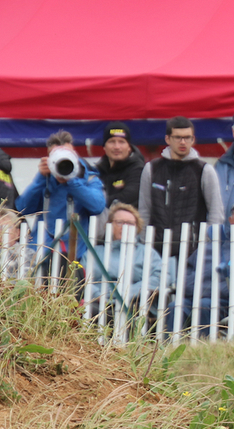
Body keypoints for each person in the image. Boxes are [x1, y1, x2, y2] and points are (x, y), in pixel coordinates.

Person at [173, 197, 234, 336]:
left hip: (230, 302)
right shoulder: (209, 245)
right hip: (195, 296)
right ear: (230, 220)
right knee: (175, 307)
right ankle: (169, 350)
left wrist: (233, 287)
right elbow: (186, 273)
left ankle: (202, 349)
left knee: (205, 305)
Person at [138, 117, 225, 254]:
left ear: (193, 139)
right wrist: (144, 246)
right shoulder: (151, 169)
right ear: (168, 139)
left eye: (187, 137)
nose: (183, 142)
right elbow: (144, 211)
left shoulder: (204, 170)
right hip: (156, 250)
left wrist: (204, 247)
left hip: (193, 252)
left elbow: (216, 214)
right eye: (178, 137)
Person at [17, 130, 107, 260]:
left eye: (67, 156)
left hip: (74, 254)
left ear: (75, 157)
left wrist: (73, 181)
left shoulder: (88, 179)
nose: (61, 162)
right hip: (41, 253)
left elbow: (98, 206)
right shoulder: (45, 180)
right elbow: (23, 208)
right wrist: (40, 179)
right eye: (56, 157)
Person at [84, 203, 165, 317]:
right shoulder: (94, 252)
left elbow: (159, 278)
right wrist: (99, 296)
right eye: (120, 222)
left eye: (130, 223)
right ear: (110, 225)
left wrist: (129, 293)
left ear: (137, 227)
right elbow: (82, 278)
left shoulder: (147, 253)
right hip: (97, 304)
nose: (125, 227)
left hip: (134, 304)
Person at [94, 121, 145, 211]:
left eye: (121, 142)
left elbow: (128, 198)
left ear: (129, 147)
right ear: (104, 147)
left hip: (128, 222)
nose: (117, 147)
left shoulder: (138, 169)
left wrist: (95, 202)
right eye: (112, 141)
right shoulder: (97, 171)